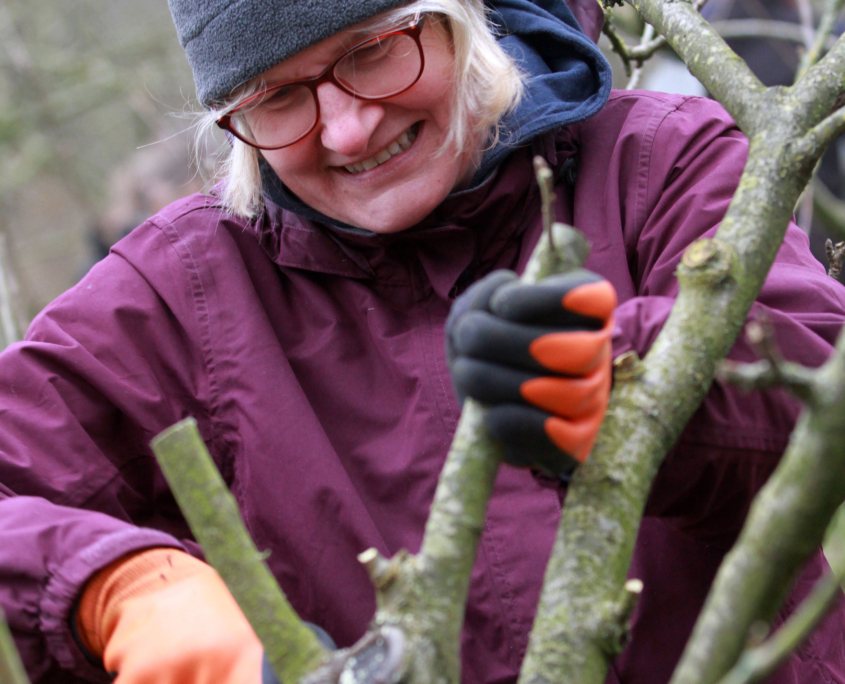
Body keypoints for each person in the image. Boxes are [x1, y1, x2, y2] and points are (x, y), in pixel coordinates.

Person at [1, 1, 844, 683]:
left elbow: (815, 382)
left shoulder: (656, 161)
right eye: (276, 99)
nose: (345, 132)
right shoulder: (182, 296)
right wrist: (116, 589)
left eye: (374, 50)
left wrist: (613, 376)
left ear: (465, 21)